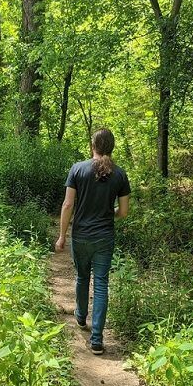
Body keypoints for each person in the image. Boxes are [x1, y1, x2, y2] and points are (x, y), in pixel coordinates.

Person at [55, 128, 130, 355]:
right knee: (101, 284)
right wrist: (109, 214)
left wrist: (61, 236)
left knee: (81, 276)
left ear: (93, 145)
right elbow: (124, 212)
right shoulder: (120, 175)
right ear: (112, 147)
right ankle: (97, 339)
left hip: (81, 236)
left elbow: (68, 205)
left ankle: (80, 317)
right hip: (104, 236)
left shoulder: (77, 169)